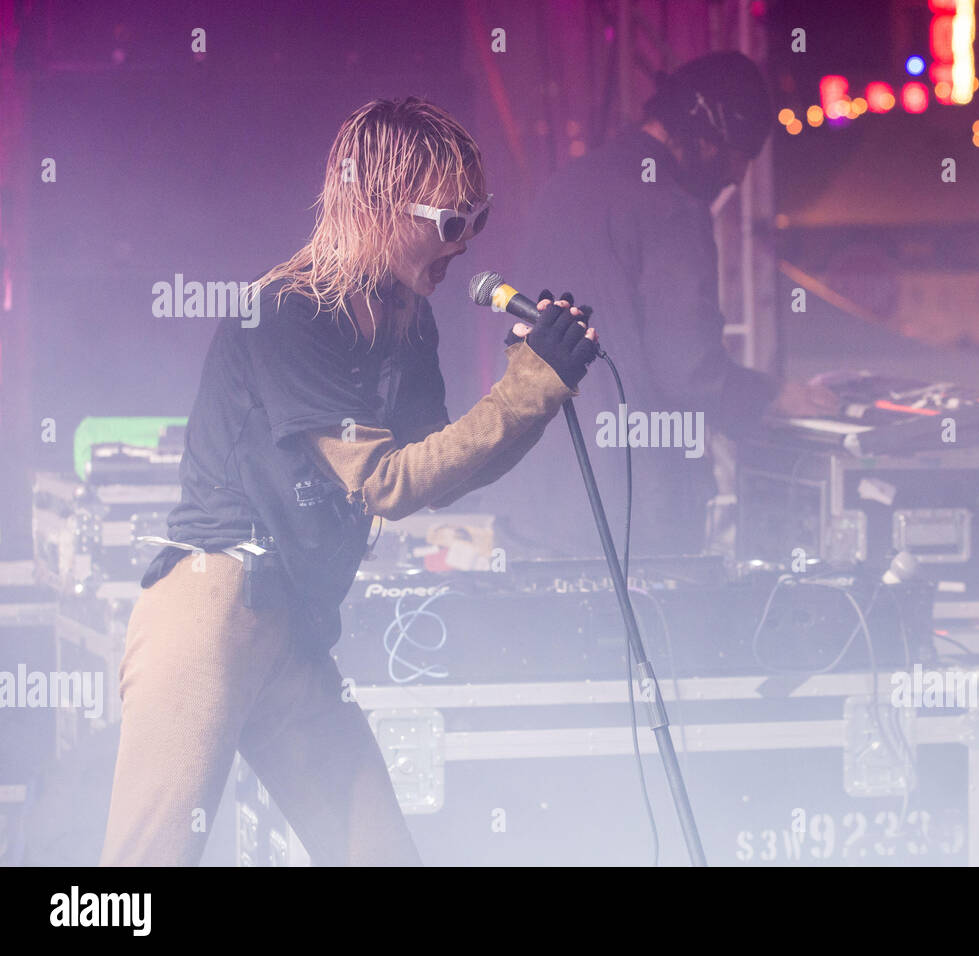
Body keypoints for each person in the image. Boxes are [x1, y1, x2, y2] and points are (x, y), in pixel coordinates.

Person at [99, 97, 598, 866]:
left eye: (480, 220)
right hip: (210, 613)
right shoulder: (289, 311)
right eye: (450, 221)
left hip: (292, 629)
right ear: (378, 206)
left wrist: (536, 378)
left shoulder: (410, 320)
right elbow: (387, 485)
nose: (466, 244)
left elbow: (439, 476)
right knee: (137, 880)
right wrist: (527, 388)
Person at [489, 51, 839, 559]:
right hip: (632, 508)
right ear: (707, 134)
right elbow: (686, 369)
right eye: (742, 152)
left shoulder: (567, 185)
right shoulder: (671, 207)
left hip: (538, 493)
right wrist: (769, 398)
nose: (738, 177)